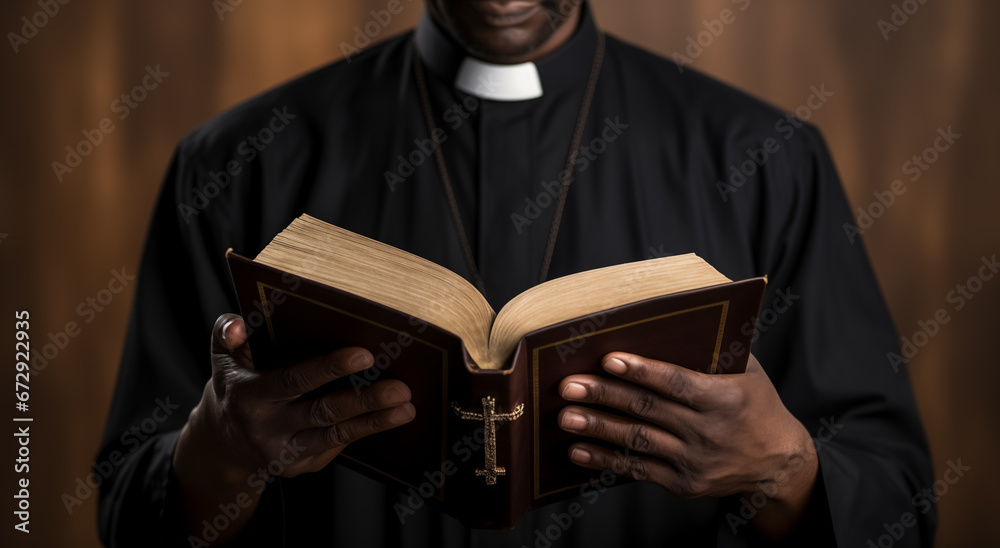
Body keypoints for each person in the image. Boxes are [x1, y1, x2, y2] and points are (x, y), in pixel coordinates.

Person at [96, 1, 936, 546]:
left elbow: (902, 504)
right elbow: (129, 513)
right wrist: (224, 452)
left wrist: (782, 468)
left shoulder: (764, 160)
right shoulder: (239, 163)